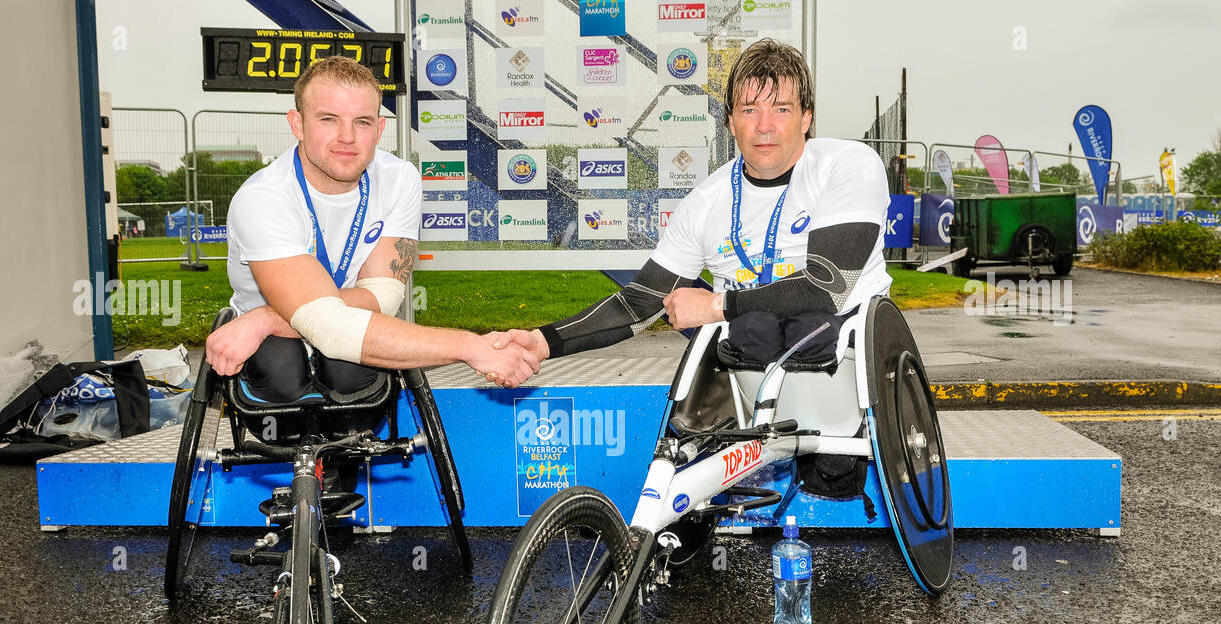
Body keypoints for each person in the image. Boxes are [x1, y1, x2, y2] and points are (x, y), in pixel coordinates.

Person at [500, 38, 891, 371]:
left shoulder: (848, 166)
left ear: (807, 118)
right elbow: (640, 303)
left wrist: (717, 305)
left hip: (846, 353)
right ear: (730, 121)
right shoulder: (705, 201)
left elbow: (828, 288)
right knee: (750, 333)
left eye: (782, 109)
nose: (764, 125)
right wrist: (544, 341)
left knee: (809, 331)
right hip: (749, 352)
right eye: (749, 109)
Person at [205, 56, 541, 396]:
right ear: (298, 124)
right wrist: (471, 346)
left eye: (362, 122)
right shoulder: (263, 197)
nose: (347, 137)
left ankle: (351, 446)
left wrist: (265, 318)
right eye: (328, 119)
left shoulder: (399, 178)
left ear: (379, 129)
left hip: (282, 324)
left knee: (352, 375)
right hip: (272, 346)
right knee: (281, 371)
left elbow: (382, 299)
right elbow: (326, 324)